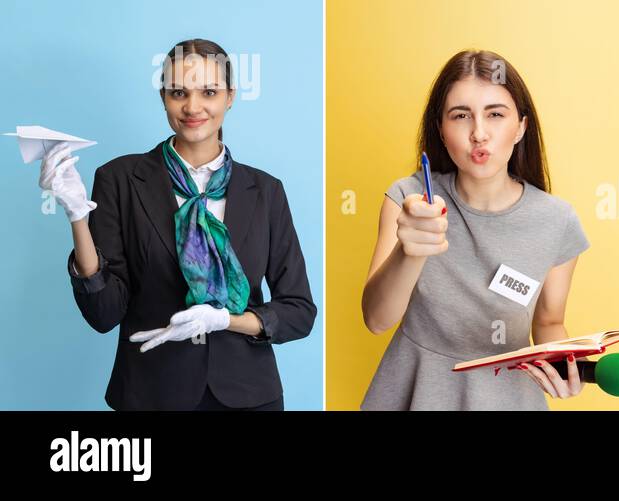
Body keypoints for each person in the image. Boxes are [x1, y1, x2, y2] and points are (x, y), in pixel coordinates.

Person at [39, 39, 316, 411]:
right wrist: (77, 217)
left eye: (209, 92)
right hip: (151, 392)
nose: (193, 106)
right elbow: (104, 313)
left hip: (249, 395)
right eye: (178, 92)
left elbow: (299, 311)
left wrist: (226, 320)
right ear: (163, 97)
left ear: (230, 96)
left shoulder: (266, 191)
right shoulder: (120, 179)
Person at [360, 50, 590, 410]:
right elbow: (376, 319)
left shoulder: (557, 221)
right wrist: (409, 251)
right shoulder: (408, 198)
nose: (479, 134)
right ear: (440, 128)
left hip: (508, 395)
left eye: (496, 114)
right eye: (461, 116)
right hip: (416, 390)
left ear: (521, 128)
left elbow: (549, 322)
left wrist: (564, 364)